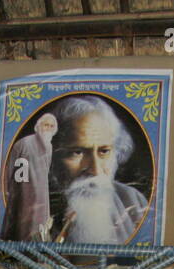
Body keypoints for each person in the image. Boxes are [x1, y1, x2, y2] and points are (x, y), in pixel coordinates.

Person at [46, 96, 148, 245]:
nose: (95, 170)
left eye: (104, 151)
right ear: (52, 156)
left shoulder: (133, 200)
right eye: (77, 152)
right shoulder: (33, 209)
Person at [1, 112, 57, 242]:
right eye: (45, 125)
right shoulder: (24, 143)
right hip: (24, 194)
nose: (48, 129)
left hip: (40, 198)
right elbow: (10, 172)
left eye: (51, 126)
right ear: (38, 126)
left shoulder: (49, 146)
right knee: (23, 228)